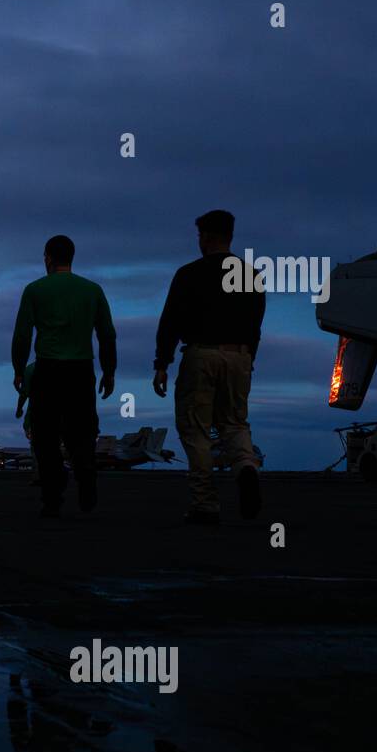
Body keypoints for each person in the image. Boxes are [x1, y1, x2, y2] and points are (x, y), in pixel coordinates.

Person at [152, 209, 264, 524]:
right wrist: (248, 357)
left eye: (200, 236)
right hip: (240, 355)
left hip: (201, 355)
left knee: (195, 429)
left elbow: (170, 321)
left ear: (207, 237)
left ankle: (205, 502)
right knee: (235, 423)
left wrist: (162, 363)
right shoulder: (250, 275)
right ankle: (246, 467)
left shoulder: (189, 274)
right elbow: (255, 323)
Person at [11, 236, 116, 517]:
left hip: (48, 369)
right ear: (72, 257)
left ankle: (52, 497)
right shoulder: (92, 290)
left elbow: (22, 334)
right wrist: (109, 371)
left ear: (47, 257)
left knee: (45, 437)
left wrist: (19, 369)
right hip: (81, 370)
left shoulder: (34, 290)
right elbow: (107, 334)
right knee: (81, 432)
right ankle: (86, 479)